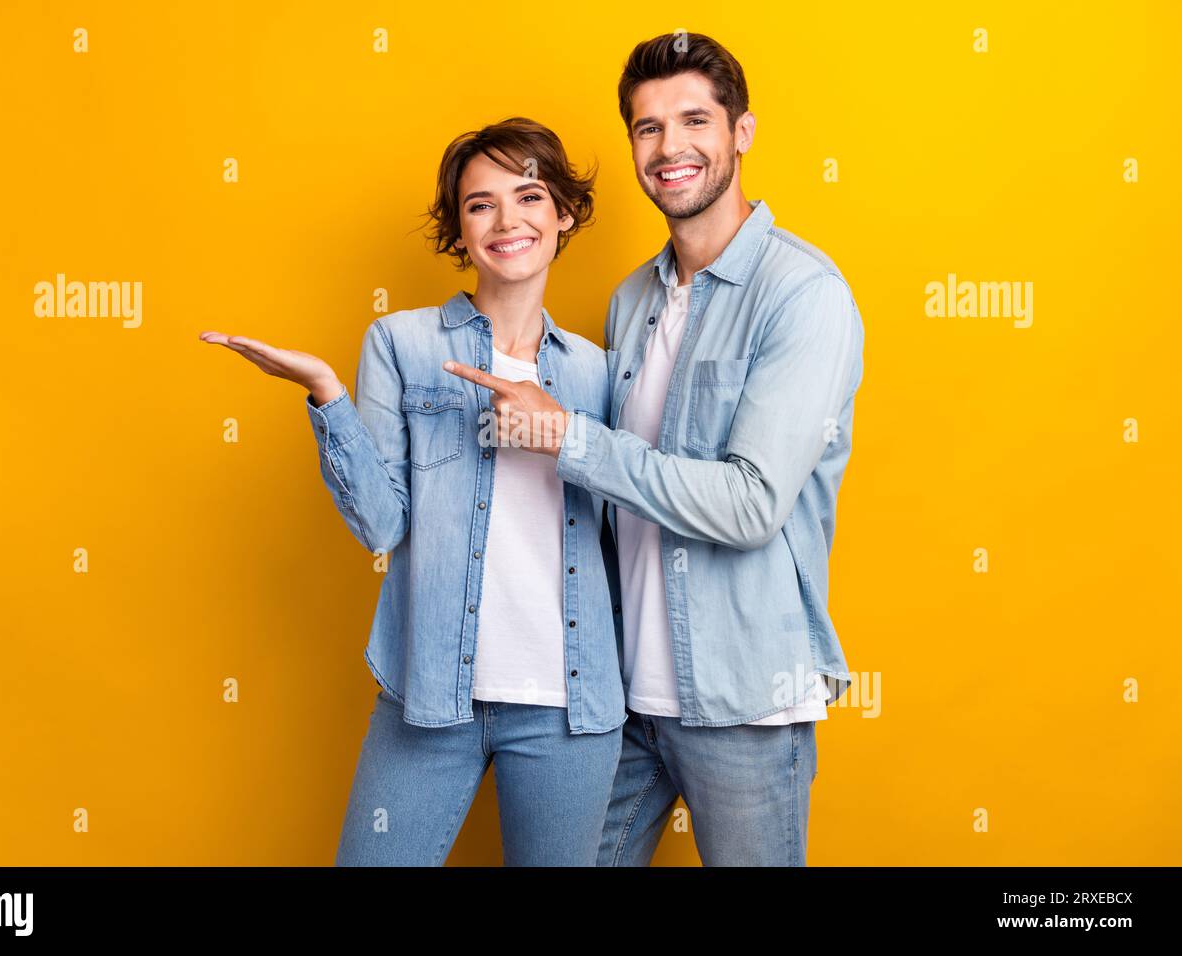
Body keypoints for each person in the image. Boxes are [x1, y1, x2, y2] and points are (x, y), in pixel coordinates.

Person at [443, 33, 865, 866]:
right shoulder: (632, 297)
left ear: (741, 132)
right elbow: (603, 508)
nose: (671, 148)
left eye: (694, 121)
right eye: (647, 128)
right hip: (620, 695)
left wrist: (567, 437)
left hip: (745, 700)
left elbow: (748, 506)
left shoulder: (804, 296)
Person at [200, 117, 626, 866]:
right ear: (459, 231)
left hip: (572, 709)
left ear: (563, 213)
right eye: (480, 204)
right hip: (429, 696)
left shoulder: (599, 372)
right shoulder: (401, 344)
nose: (507, 220)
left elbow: (633, 531)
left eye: (529, 196)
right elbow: (380, 524)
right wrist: (326, 395)